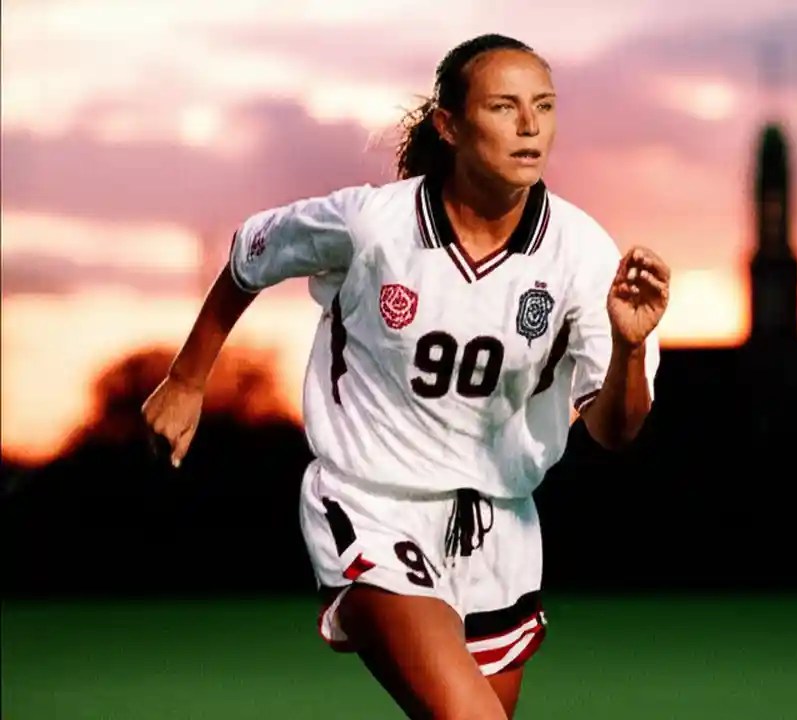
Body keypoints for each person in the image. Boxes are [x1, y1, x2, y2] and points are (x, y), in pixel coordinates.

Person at [141, 33, 668, 719]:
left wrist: (630, 348)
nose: (531, 125)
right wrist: (187, 378)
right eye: (504, 106)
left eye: (544, 105)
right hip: (371, 506)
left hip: (500, 528)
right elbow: (250, 253)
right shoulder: (374, 226)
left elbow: (615, 430)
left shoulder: (583, 256)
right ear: (449, 125)